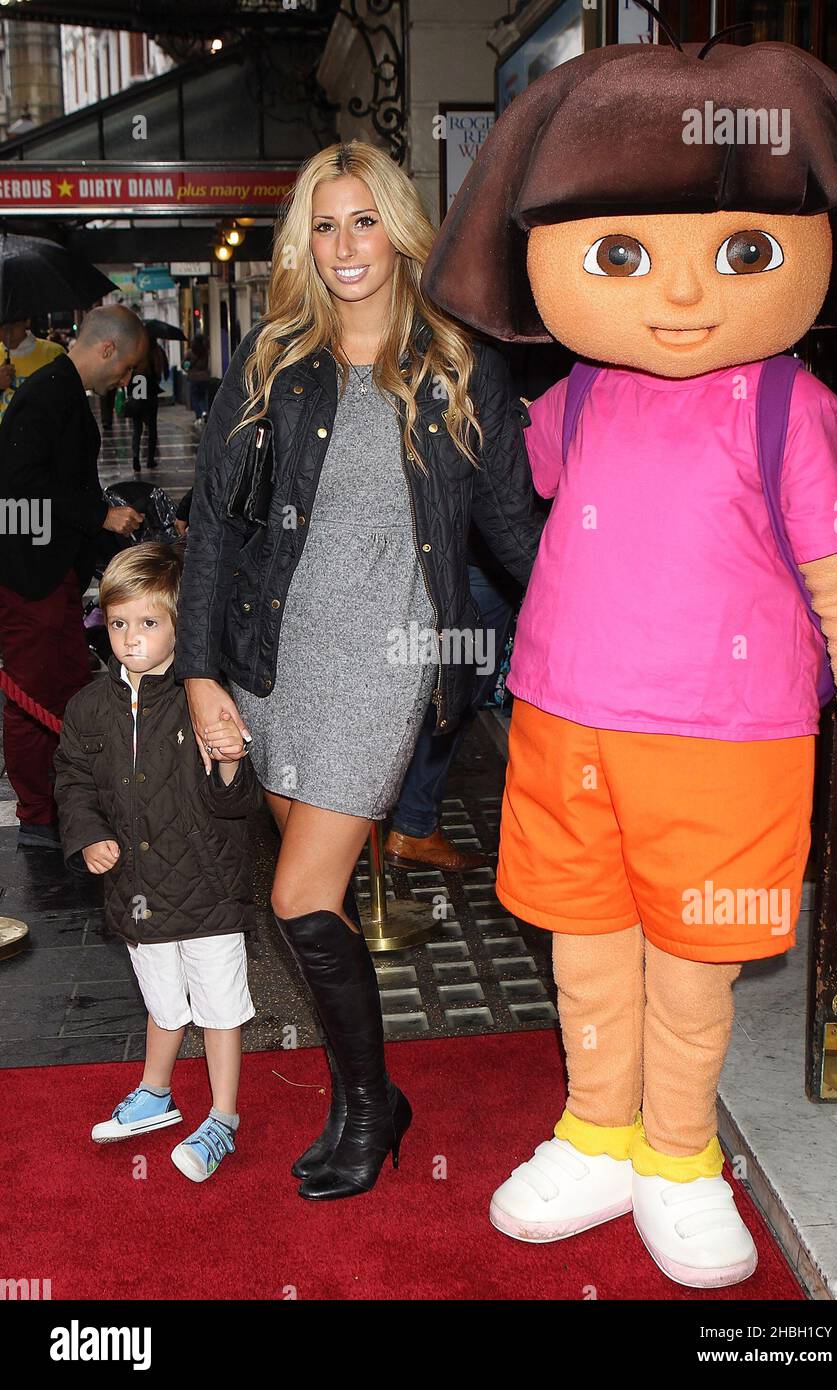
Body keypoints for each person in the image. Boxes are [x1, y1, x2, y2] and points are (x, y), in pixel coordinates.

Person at [423, 37, 837, 1287]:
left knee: (694, 968)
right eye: (621, 255)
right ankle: (599, 1130)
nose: (679, 296)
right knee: (583, 946)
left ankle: (681, 1155)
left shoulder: (788, 405)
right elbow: (551, 512)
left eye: (740, 253)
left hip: (730, 742)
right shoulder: (574, 397)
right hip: (566, 723)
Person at [173, 138, 545, 1202]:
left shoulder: (459, 365)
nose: (345, 245)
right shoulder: (273, 362)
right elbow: (216, 534)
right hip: (273, 653)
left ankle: (373, 1107)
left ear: (400, 230)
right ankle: (362, 1092)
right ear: (306, 240)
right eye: (325, 224)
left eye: (364, 220)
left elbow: (514, 532)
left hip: (387, 658)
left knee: (296, 896)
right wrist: (201, 676)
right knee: (318, 900)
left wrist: (616, 603)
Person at [53, 543, 262, 1182]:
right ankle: (156, 1092)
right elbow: (74, 779)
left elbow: (241, 802)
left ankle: (223, 1116)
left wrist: (228, 759)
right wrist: (88, 834)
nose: (131, 638)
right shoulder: (91, 707)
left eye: (148, 623)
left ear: (179, 625)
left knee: (220, 1008)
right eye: (119, 624)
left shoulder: (202, 698)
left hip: (209, 888)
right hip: (137, 889)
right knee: (163, 1001)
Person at [0, 303, 147, 848]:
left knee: (62, 688)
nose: (126, 380)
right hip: (28, 576)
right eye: (128, 367)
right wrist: (98, 514)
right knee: (32, 694)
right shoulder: (47, 392)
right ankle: (37, 812)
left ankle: (63, 803)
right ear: (106, 348)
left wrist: (100, 513)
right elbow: (14, 490)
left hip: (53, 574)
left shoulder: (63, 392)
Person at [385, 528, 520, 871]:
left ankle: (394, 817)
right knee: (452, 699)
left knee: (425, 691)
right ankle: (412, 826)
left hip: (430, 556)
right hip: (479, 560)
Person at [0, 316, 65, 421]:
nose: (9, 333)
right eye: (3, 327)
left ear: (27, 321)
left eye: (15, 325)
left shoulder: (54, 352)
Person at [127, 335, 168, 471]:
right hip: (149, 391)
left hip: (137, 391)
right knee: (151, 428)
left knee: (137, 429)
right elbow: (160, 372)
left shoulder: (136, 351)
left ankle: (135, 459)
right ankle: (150, 459)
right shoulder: (155, 351)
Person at [186, 335, 211, 425]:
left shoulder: (190, 352)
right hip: (204, 378)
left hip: (194, 378)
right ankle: (204, 411)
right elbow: (206, 364)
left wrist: (188, 367)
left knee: (195, 398)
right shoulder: (205, 352)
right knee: (202, 397)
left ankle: (199, 415)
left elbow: (185, 365)